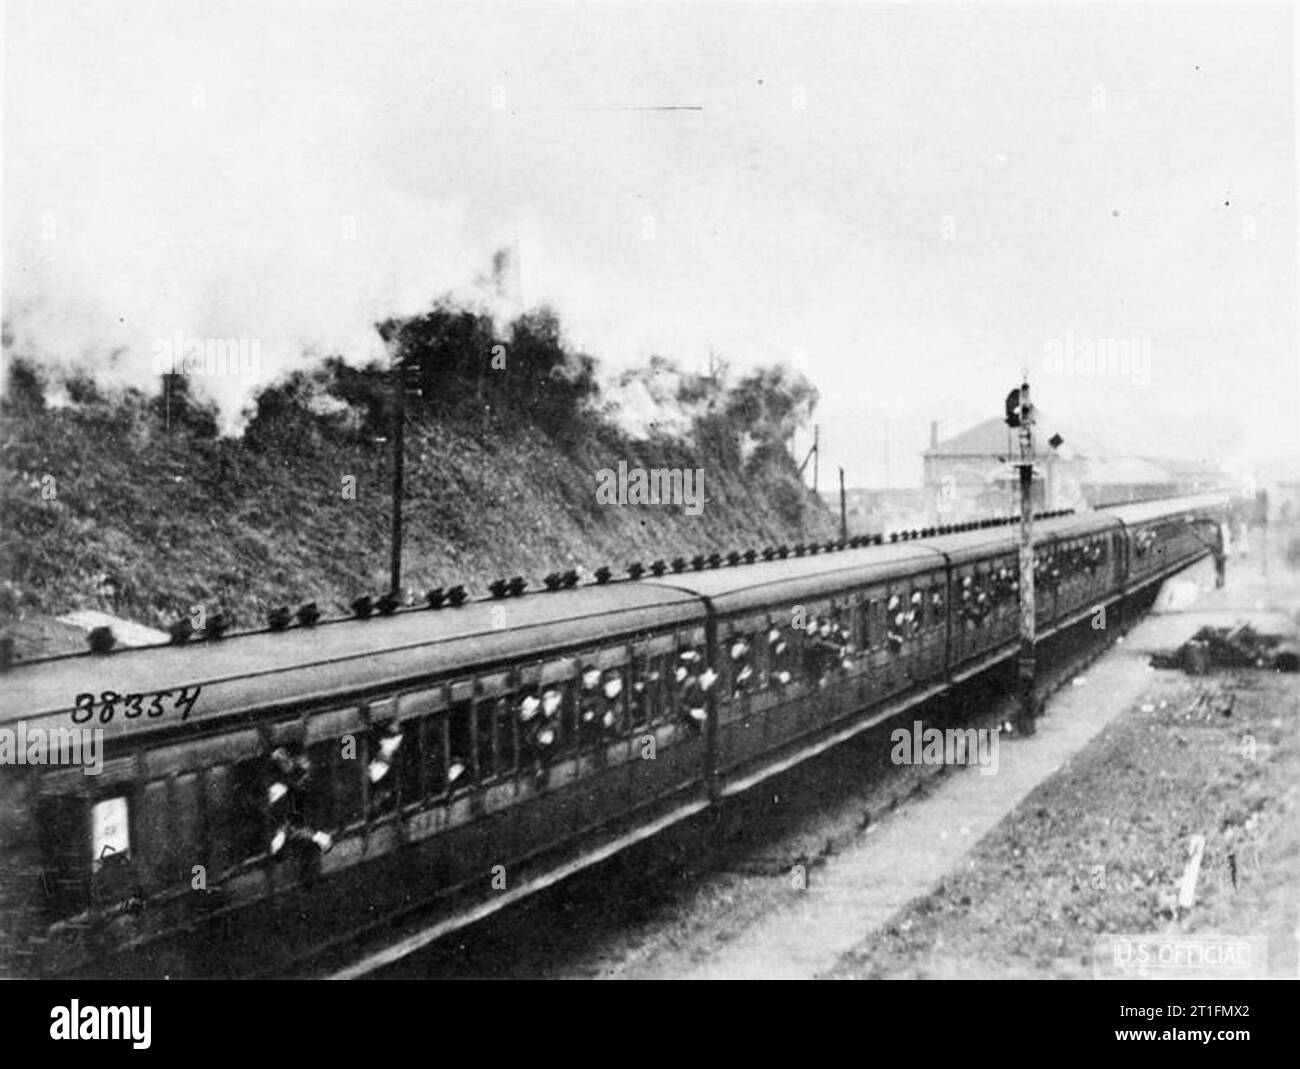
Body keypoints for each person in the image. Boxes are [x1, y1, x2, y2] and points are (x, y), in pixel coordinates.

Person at [1212, 524, 1227, 588]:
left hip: (1218, 555)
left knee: (1218, 569)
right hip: (1222, 554)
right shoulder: (1223, 537)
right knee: (1221, 569)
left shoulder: (1216, 538)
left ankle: (1219, 581)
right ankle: (1221, 581)